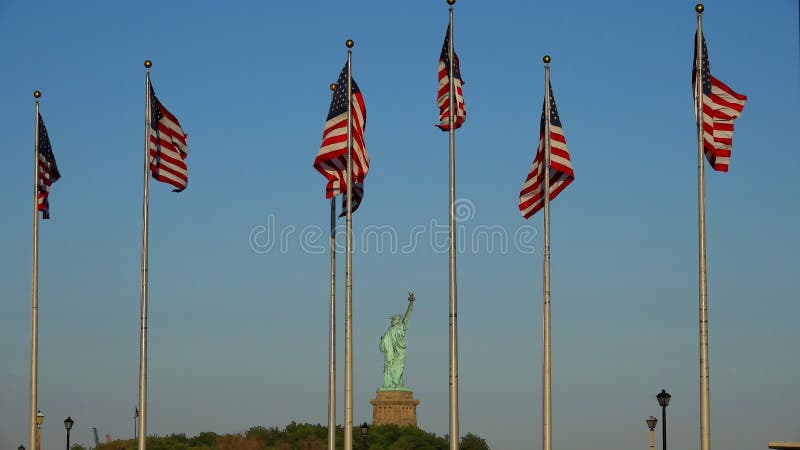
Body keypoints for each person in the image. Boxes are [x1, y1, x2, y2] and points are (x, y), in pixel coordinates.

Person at [379, 292, 414, 389]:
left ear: (397, 321)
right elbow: (382, 346)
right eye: (392, 320)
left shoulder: (400, 328)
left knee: (398, 369)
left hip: (399, 354)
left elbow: (407, 316)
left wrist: (411, 303)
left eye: (394, 320)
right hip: (391, 356)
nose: (392, 321)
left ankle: (395, 384)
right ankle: (392, 384)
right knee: (391, 369)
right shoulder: (388, 331)